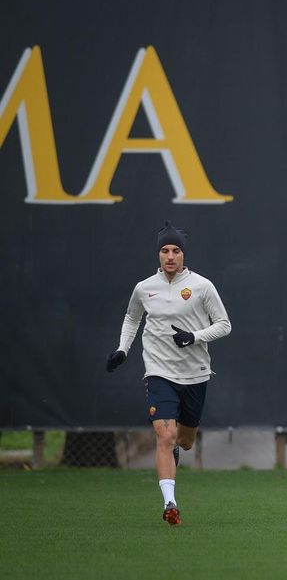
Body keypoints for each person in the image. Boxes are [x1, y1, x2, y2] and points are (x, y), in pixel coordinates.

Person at [106, 221, 231, 526]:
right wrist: (123, 349)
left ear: (184, 254)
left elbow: (224, 325)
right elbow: (131, 319)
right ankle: (170, 503)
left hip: (195, 374)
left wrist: (194, 337)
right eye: (165, 250)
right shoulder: (144, 288)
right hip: (158, 371)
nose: (170, 256)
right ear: (158, 254)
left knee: (184, 440)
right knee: (165, 435)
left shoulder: (202, 286)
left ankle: (177, 449)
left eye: (176, 250)